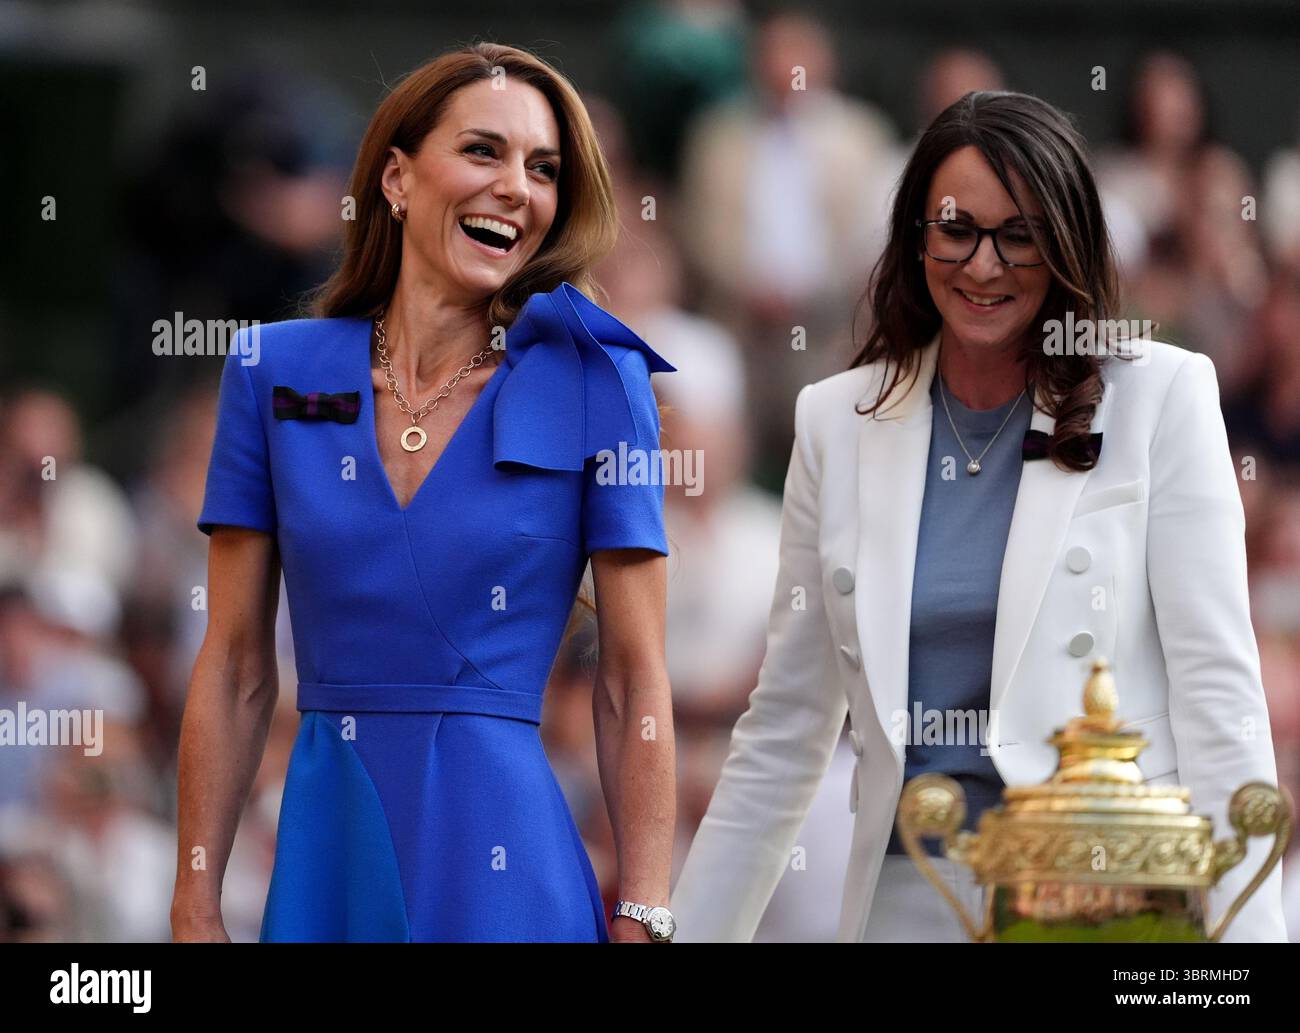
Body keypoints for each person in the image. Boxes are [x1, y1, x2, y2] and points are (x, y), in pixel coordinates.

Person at [670, 90, 1288, 942]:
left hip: (1104, 903)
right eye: (956, 229)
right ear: (917, 236)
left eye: (1020, 234)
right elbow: (783, 732)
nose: (983, 265)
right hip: (908, 892)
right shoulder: (835, 422)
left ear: (1065, 239)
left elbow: (1219, 697)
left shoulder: (1161, 395)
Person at [170, 43, 678, 943]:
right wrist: (196, 898)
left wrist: (643, 909)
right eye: (484, 151)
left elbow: (632, 676)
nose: (516, 186)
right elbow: (239, 664)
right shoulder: (273, 371)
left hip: (508, 870)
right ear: (397, 178)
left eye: (543, 168)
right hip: (331, 852)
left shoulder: (598, 378)